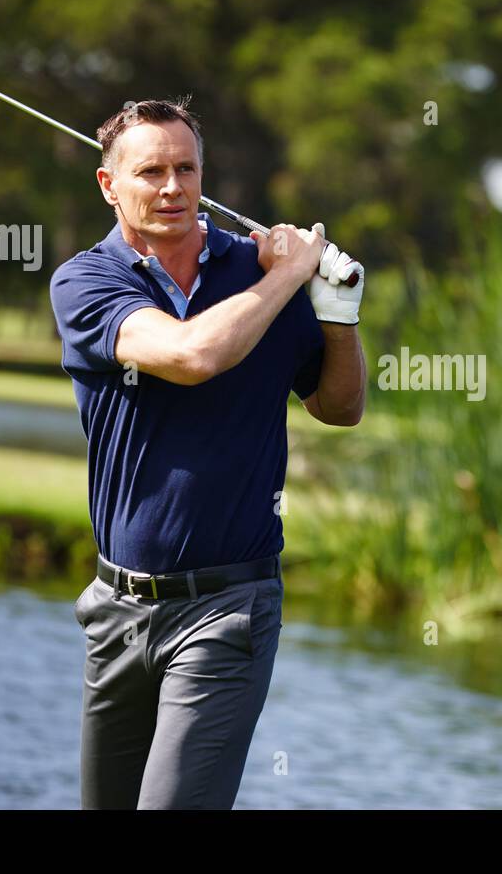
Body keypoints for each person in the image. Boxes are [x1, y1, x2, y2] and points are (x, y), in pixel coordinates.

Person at [49, 97, 366, 808]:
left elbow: (339, 408)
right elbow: (192, 355)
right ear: (109, 185)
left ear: (203, 173)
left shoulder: (254, 269)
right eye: (151, 171)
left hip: (228, 608)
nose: (171, 188)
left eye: (185, 168)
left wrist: (338, 316)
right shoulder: (87, 282)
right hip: (116, 611)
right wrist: (286, 276)